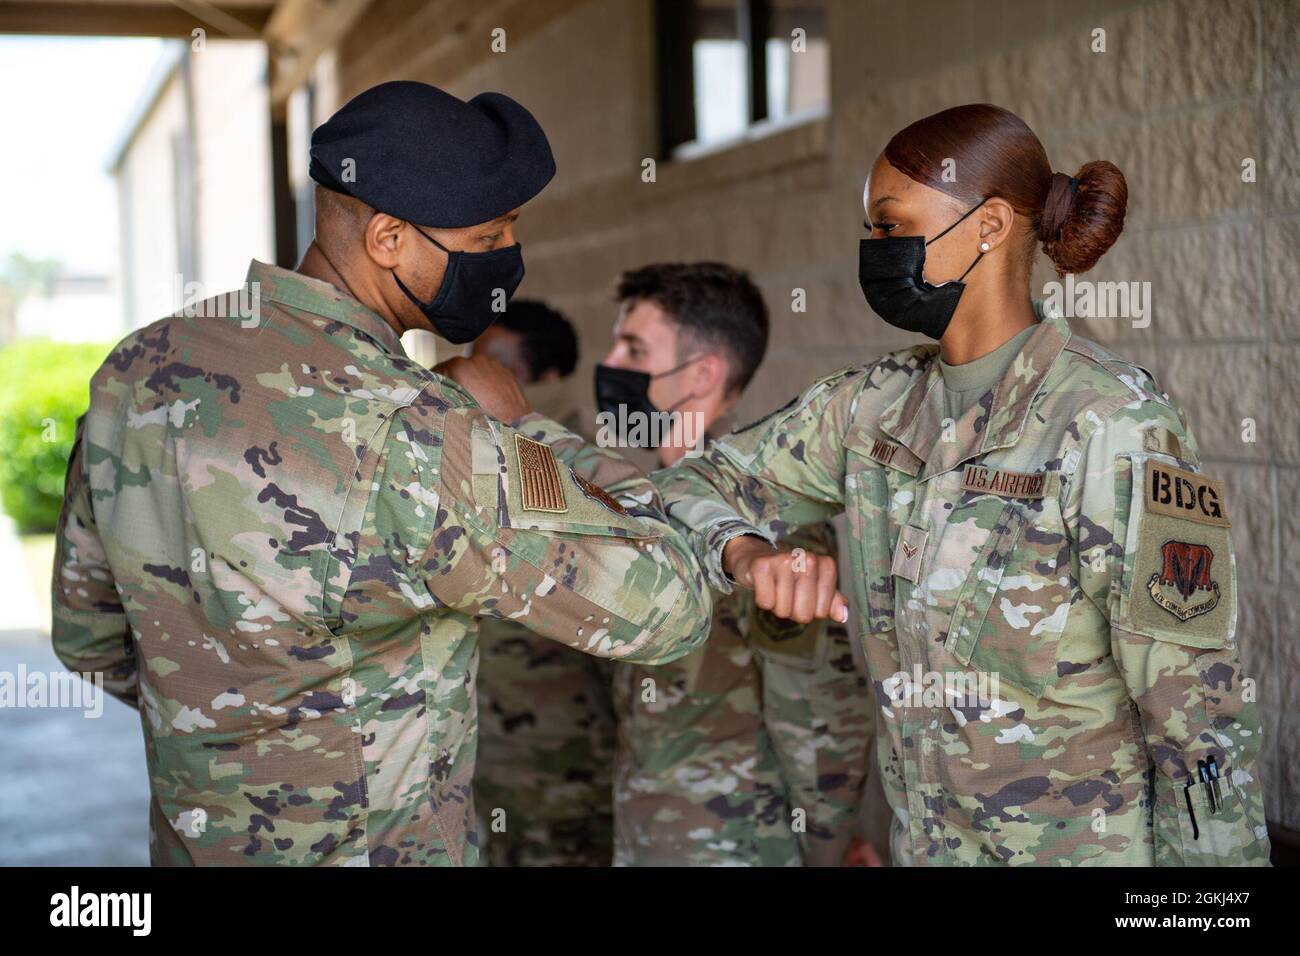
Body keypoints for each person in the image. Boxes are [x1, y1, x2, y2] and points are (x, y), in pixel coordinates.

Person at [50, 81, 746, 867]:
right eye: (488, 239)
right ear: (386, 237)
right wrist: (518, 428)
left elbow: (91, 640)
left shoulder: (138, 368)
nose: (507, 261)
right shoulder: (416, 430)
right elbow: (667, 606)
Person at [654, 104, 1270, 866]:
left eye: (890, 224)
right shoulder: (870, 408)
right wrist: (748, 554)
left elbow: (1197, 721)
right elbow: (695, 482)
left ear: (989, 226)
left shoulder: (1112, 425)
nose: (875, 249)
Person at [596, 262, 873, 866]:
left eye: (634, 347)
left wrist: (824, 848)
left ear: (701, 375)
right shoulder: (640, 491)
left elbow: (818, 713)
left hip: (738, 841)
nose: (611, 363)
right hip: (651, 833)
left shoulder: (774, 519)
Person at [468, 300, 619, 867]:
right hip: (495, 750)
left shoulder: (579, 475)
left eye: (495, 365)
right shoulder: (481, 460)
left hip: (567, 754)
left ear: (546, 380)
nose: (473, 374)